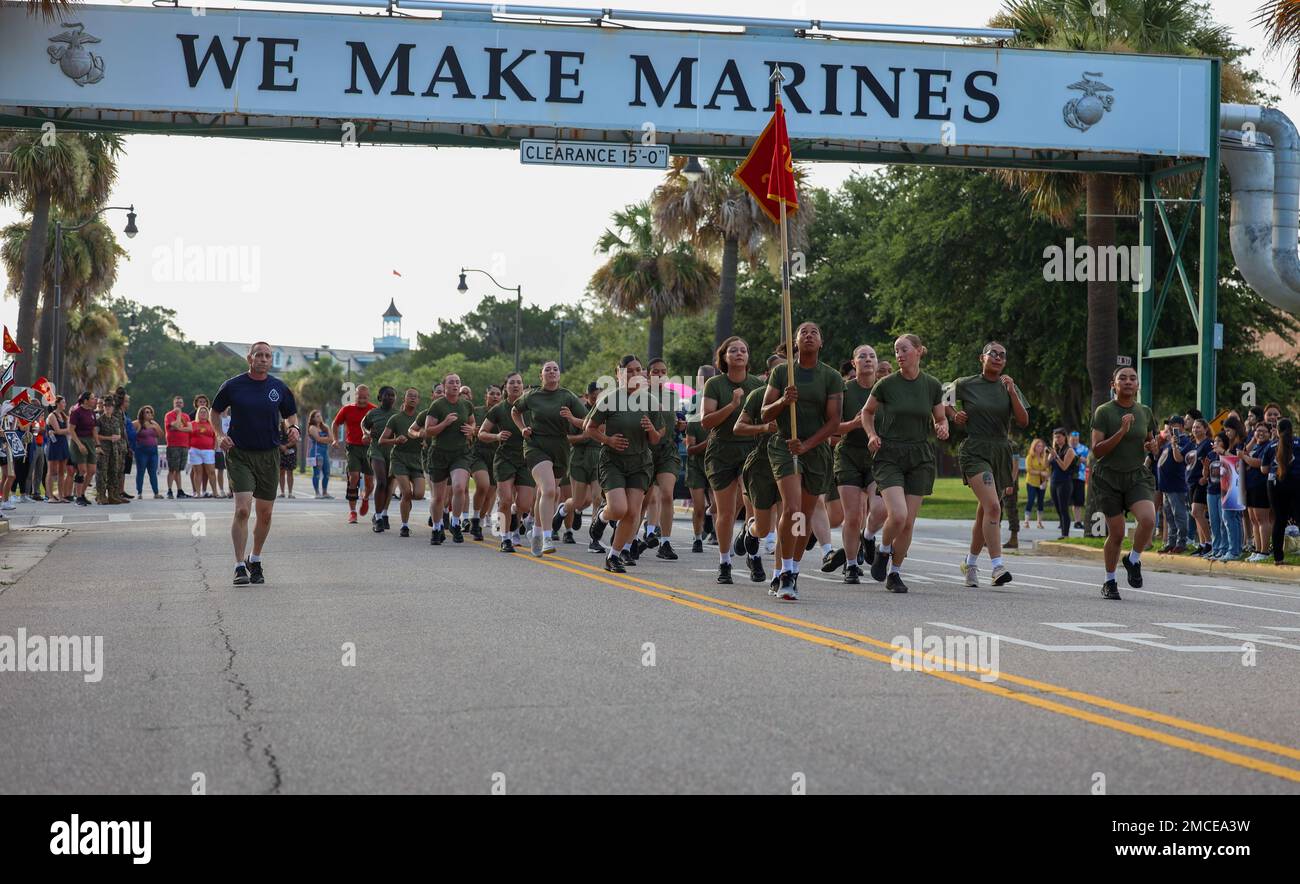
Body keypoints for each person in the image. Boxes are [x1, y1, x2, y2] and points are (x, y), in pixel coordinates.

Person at [759, 322, 843, 601]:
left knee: (805, 515)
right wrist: (783, 401)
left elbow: (834, 422)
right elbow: (764, 414)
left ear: (821, 343)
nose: (808, 336)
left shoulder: (830, 376)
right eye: (803, 332)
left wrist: (806, 444)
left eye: (814, 333)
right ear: (795, 342)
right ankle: (783, 572)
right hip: (785, 446)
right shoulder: (783, 372)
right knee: (793, 509)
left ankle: (793, 569)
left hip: (815, 449)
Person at [861, 334, 949, 593]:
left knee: (908, 522)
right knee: (897, 515)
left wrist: (942, 428)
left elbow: (940, 418)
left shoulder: (932, 385)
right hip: (889, 454)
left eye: (904, 350)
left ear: (920, 351)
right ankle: (884, 549)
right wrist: (872, 434)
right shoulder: (886, 384)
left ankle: (895, 573)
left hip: (920, 456)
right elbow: (867, 412)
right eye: (896, 350)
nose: (899, 355)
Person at [212, 342, 299, 586]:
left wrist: (294, 427)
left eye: (267, 356)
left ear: (271, 360)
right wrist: (219, 435)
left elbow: (291, 413)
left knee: (265, 513)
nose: (263, 359)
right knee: (242, 509)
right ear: (249, 358)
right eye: (258, 355)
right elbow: (214, 411)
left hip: (269, 454)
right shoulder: (233, 385)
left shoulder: (278, 387)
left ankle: (255, 558)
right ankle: (239, 565)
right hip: (240, 453)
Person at [949, 341, 1029, 588]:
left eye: (1002, 355)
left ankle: (970, 563)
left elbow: (1024, 420)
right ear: (981, 358)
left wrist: (1013, 392)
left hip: (1001, 450)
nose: (998, 358)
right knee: (994, 507)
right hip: (975, 449)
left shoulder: (1008, 386)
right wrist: (954, 415)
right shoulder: (965, 383)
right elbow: (941, 399)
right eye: (992, 353)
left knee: (986, 510)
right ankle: (997, 567)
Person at [585, 355, 661, 572]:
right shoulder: (609, 399)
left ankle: (614, 555)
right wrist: (608, 440)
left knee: (632, 512)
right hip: (613, 461)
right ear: (619, 373)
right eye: (629, 370)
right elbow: (589, 428)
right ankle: (601, 517)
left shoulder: (650, 401)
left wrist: (651, 430)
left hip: (640, 462)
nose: (635, 374)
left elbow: (656, 440)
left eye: (639, 370)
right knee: (618, 509)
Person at [1089, 366, 1159, 600]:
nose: (1128, 382)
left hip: (1136, 476)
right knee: (1117, 533)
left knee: (1149, 520)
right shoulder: (1104, 412)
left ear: (1137, 385)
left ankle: (1133, 559)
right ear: (1114, 384)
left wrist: (1152, 447)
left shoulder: (1145, 412)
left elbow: (1151, 442)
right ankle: (1109, 581)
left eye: (1132, 378)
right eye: (1123, 378)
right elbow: (1097, 451)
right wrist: (1121, 431)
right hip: (1108, 477)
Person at [700, 337, 765, 584]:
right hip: (722, 451)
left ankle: (753, 551)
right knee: (726, 512)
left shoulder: (758, 385)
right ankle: (724, 562)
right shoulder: (715, 384)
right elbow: (706, 422)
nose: (739, 353)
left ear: (748, 357)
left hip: (751, 450)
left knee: (753, 506)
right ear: (724, 357)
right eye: (733, 350)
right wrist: (732, 405)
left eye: (744, 350)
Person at [512, 361, 588, 557]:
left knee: (545, 494)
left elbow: (588, 422)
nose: (552, 372)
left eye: (555, 369)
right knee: (549, 490)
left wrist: (572, 419)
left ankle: (535, 532)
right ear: (541, 376)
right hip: (536, 445)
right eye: (548, 369)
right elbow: (515, 411)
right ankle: (547, 537)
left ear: (559, 375)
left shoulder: (567, 396)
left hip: (560, 448)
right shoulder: (532, 395)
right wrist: (522, 429)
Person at [829, 344, 879, 584]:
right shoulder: (844, 390)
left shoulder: (885, 390)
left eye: (872, 356)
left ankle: (868, 538)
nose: (868, 360)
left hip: (877, 456)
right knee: (852, 515)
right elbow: (831, 427)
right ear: (854, 362)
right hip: (848, 454)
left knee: (880, 508)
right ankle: (850, 565)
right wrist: (853, 424)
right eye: (862, 356)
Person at [732, 360, 781, 585]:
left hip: (792, 462)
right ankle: (750, 531)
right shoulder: (758, 396)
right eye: (778, 370)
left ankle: (783, 574)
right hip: (762, 464)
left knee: (789, 519)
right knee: (762, 527)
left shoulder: (802, 395)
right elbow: (739, 427)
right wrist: (762, 427)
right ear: (769, 373)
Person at [480, 371, 533, 553]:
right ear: (506, 387)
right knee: (505, 499)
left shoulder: (530, 408)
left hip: (526, 458)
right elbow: (481, 433)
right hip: (505, 458)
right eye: (512, 383)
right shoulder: (498, 409)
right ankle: (505, 538)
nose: (516, 386)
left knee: (524, 504)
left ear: (523, 386)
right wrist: (496, 435)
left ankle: (512, 513)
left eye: (519, 382)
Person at [422, 374, 476, 544]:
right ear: (444, 386)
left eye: (457, 382)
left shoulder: (466, 404)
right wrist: (444, 423)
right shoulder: (437, 405)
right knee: (438, 497)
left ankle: (455, 522)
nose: (455, 385)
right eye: (451, 382)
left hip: (460, 453)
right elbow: (428, 431)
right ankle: (437, 528)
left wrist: (471, 430)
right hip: (439, 453)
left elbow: (472, 422)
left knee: (459, 487)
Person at [640, 357, 684, 560]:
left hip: (667, 450)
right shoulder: (638, 396)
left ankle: (665, 543)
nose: (659, 374)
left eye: (663, 371)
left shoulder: (672, 396)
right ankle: (631, 540)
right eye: (655, 371)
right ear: (648, 375)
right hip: (644, 451)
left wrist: (680, 425)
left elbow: (676, 421)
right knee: (644, 499)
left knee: (667, 494)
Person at [378, 387, 424, 537]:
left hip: (416, 459)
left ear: (418, 400)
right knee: (406, 492)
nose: (412, 398)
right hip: (399, 458)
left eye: (415, 396)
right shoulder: (396, 419)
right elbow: (382, 440)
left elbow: (429, 436)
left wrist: (426, 441)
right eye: (409, 396)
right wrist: (395, 440)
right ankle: (404, 526)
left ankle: (405, 502)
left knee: (418, 494)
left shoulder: (422, 418)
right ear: (404, 399)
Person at [563, 382, 602, 552]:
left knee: (597, 498)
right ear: (586, 396)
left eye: (599, 396)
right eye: (593, 396)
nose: (596, 399)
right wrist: (584, 437)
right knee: (578, 501)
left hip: (599, 456)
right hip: (579, 457)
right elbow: (567, 438)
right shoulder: (578, 412)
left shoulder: (606, 410)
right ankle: (563, 512)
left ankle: (594, 540)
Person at [331, 385, 375, 525]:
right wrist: (335, 439)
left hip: (369, 448)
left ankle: (366, 498)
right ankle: (352, 512)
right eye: (359, 397)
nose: (362, 400)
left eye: (364, 397)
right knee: (354, 477)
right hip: (353, 448)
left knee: (369, 482)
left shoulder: (373, 410)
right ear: (355, 396)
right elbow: (335, 423)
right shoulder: (347, 409)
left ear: (368, 396)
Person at [1263, 418, 1300, 565]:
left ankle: (1278, 558)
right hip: (1296, 483)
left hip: (1275, 484)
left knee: (1279, 520)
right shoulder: (1298, 443)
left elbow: (1264, 469)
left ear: (1277, 431)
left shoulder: (1271, 446)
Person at [361, 386, 397, 532]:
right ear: (380, 398)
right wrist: (367, 432)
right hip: (376, 450)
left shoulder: (397, 414)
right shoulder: (373, 413)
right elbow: (364, 424)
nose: (390, 398)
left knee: (389, 484)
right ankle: (377, 517)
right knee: (381, 481)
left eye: (392, 396)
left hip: (392, 452)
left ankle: (383, 514)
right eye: (387, 395)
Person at [470, 383, 502, 542]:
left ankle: (479, 521)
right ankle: (475, 518)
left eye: (498, 394)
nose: (495, 396)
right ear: (486, 396)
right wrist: (472, 430)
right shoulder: (476, 412)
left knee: (490, 493)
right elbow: (466, 427)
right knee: (483, 485)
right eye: (492, 394)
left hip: (497, 456)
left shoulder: (504, 412)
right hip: (478, 453)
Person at [1156, 416, 1193, 554]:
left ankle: (1181, 542)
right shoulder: (1168, 441)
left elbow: (1179, 459)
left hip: (1177, 485)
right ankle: (1171, 542)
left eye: (1176, 425)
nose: (1172, 428)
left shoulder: (1184, 441)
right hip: (1166, 485)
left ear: (1182, 427)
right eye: (1171, 426)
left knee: (1179, 515)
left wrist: (1174, 444)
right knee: (1169, 516)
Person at [1241, 422, 1274, 562]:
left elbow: (1258, 463)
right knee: (1254, 520)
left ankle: (1264, 551)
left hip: (1262, 486)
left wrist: (1245, 458)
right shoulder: (1256, 445)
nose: (1260, 433)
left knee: (1262, 520)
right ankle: (1257, 549)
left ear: (1270, 433)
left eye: (1263, 431)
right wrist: (1253, 439)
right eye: (1257, 431)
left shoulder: (1269, 446)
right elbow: (1245, 452)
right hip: (1251, 486)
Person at [67, 392, 99, 506]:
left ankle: (82, 493)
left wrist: (98, 445)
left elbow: (94, 430)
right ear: (85, 400)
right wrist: (79, 444)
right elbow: (71, 430)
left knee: (92, 470)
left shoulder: (92, 412)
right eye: (92, 398)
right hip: (78, 441)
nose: (94, 400)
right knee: (82, 470)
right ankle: (78, 496)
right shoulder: (76, 412)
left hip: (90, 441)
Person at [93, 395, 125, 505]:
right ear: (103, 406)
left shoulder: (116, 420)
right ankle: (101, 496)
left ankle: (112, 495)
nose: (108, 408)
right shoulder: (99, 420)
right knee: (102, 473)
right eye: (106, 406)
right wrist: (108, 438)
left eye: (110, 406)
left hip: (114, 449)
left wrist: (118, 437)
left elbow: (119, 434)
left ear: (113, 407)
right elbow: (96, 435)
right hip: (103, 449)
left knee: (113, 472)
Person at [164, 395, 192, 499]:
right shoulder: (169, 415)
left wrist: (179, 427)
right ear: (173, 404)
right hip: (173, 445)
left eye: (180, 403)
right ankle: (169, 490)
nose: (179, 404)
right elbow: (175, 425)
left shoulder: (186, 416)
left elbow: (190, 429)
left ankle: (180, 491)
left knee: (179, 470)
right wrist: (178, 415)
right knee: (172, 469)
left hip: (184, 445)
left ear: (183, 404)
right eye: (177, 403)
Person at [44, 397, 71, 503]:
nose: (65, 404)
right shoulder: (52, 416)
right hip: (54, 445)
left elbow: (65, 431)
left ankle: (61, 495)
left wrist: (62, 431)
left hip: (63, 444)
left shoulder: (64, 416)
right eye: (63, 402)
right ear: (57, 403)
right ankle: (50, 496)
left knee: (61, 471)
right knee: (51, 471)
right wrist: (65, 430)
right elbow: (59, 431)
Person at [133, 405, 163, 498]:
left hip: (153, 450)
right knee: (141, 471)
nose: (149, 414)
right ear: (142, 414)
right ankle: (139, 492)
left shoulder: (154, 423)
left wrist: (155, 427)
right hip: (141, 450)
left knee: (153, 472)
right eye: (147, 412)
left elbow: (161, 435)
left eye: (150, 412)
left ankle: (156, 493)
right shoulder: (137, 423)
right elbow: (129, 434)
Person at [189, 405, 218, 498]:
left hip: (208, 451)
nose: (203, 413)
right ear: (198, 413)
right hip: (195, 450)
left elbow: (216, 437)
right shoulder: (192, 424)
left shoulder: (211, 424)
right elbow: (188, 436)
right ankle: (198, 493)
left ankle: (215, 492)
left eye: (205, 412)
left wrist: (215, 448)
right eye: (201, 412)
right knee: (197, 472)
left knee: (211, 472)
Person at [1024, 437, 1048, 529]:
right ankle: (1026, 522)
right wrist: (1040, 472)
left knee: (1040, 502)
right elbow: (1029, 470)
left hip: (1042, 483)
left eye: (1041, 446)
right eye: (1038, 446)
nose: (1040, 448)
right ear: (1034, 447)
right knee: (1030, 500)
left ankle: (1039, 522)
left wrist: (1046, 480)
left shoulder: (1044, 457)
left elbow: (1047, 469)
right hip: (1031, 482)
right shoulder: (1030, 457)